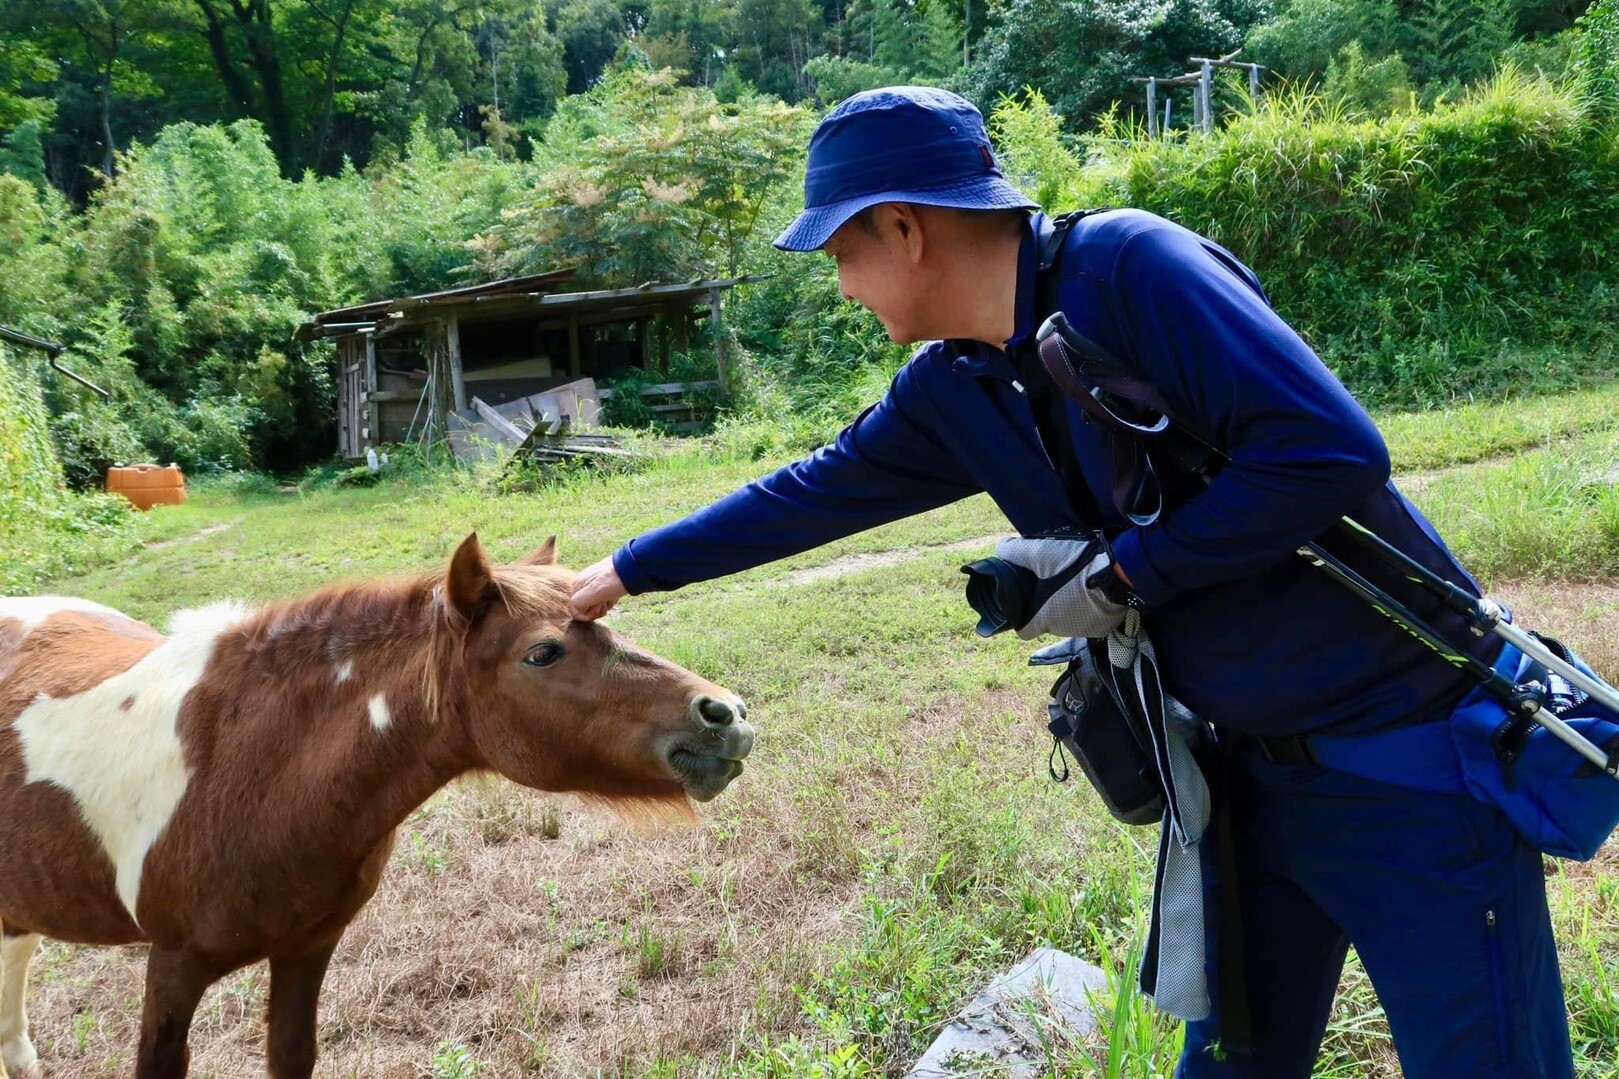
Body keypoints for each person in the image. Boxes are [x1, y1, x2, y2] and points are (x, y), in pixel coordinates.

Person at [567, 86, 1574, 1078]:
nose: (842, 285)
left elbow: (1327, 452)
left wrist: (1126, 572)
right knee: (1229, 1059)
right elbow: (814, 490)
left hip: (1405, 762)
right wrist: (620, 572)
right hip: (1234, 781)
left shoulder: (1132, 271)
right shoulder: (955, 384)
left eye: (841, 254)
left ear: (903, 229)